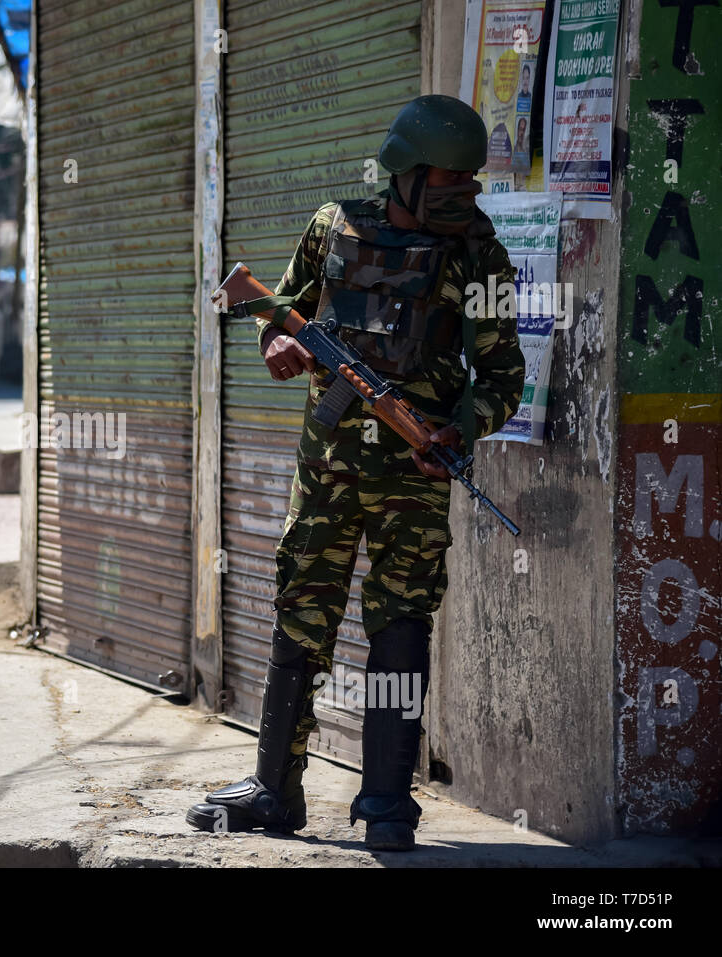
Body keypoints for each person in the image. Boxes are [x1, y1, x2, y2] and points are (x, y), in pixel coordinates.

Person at [187, 95, 525, 851]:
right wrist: (278, 342)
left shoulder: (480, 254)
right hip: (327, 469)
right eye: (446, 176)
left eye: (469, 179)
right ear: (406, 172)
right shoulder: (331, 227)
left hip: (414, 476)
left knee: (400, 624)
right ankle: (274, 789)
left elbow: (504, 375)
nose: (461, 192)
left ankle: (386, 803)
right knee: (301, 615)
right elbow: (281, 310)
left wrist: (455, 427)